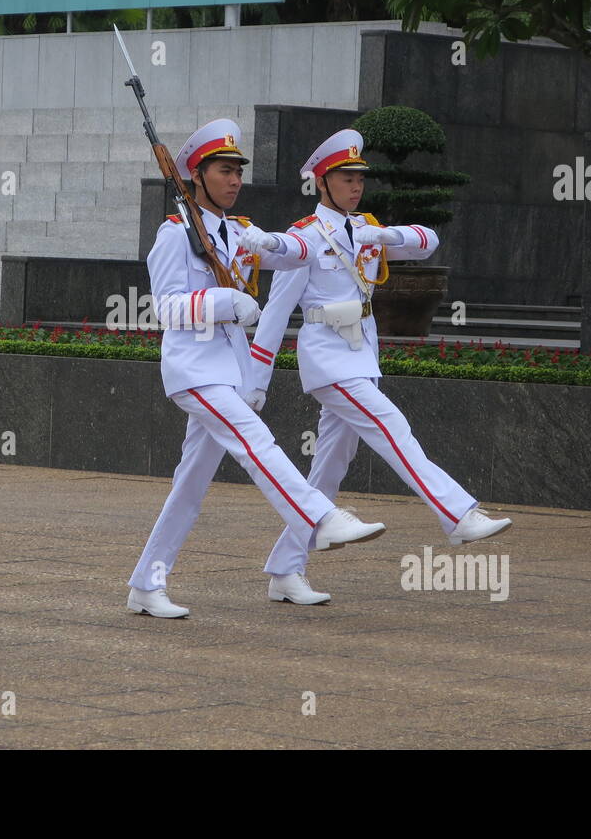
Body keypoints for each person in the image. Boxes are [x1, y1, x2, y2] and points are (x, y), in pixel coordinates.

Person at [127, 119, 386, 618]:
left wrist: (311, 243)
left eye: (237, 172)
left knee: (190, 488)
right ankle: (319, 517)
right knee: (255, 440)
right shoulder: (174, 234)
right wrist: (225, 300)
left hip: (229, 369)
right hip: (193, 370)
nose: (234, 180)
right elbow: (165, 308)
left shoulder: (242, 232)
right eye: (224, 171)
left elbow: (291, 260)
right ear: (197, 177)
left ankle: (146, 583)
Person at [245, 128, 512, 604]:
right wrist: (255, 382)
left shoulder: (366, 229)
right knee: (391, 423)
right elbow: (275, 314)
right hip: (327, 360)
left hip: (361, 356)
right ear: (322, 183)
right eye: (345, 178)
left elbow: (427, 241)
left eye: (359, 178)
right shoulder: (304, 237)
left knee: (328, 468)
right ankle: (457, 513)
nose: (356, 185)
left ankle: (286, 569)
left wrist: (386, 234)